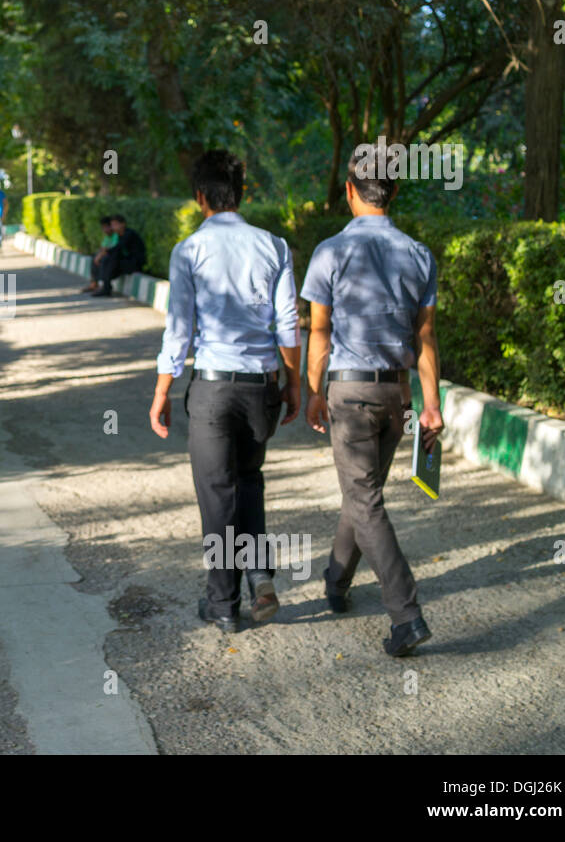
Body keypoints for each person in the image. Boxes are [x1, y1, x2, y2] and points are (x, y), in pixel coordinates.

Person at [149, 150, 301, 633]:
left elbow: (179, 330)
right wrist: (294, 382)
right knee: (249, 483)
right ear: (242, 193)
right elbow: (289, 324)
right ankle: (258, 572)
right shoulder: (274, 246)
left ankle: (222, 603)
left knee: (218, 497)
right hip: (262, 389)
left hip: (213, 392)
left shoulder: (190, 251)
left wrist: (162, 392)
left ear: (200, 198)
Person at [302, 143, 443, 657]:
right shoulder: (419, 254)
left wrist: (313, 392)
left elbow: (318, 332)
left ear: (349, 190)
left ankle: (407, 616)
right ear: (395, 191)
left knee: (365, 498)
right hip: (396, 395)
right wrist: (430, 403)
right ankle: (337, 582)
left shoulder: (330, 251)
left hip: (350, 391)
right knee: (361, 493)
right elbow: (425, 338)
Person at [89, 214, 145, 297]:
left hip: (134, 264)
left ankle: (106, 287)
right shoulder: (119, 235)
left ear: (123, 224)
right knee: (105, 258)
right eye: (112, 225)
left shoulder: (128, 234)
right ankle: (102, 285)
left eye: (115, 224)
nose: (113, 227)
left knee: (109, 259)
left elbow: (117, 249)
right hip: (126, 261)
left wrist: (106, 252)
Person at [80, 216, 117, 292]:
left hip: (114, 257)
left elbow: (110, 249)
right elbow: (103, 248)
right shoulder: (107, 237)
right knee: (95, 256)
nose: (104, 230)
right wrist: (99, 255)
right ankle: (94, 283)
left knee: (103, 259)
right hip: (107, 255)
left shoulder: (116, 236)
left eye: (106, 227)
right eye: (103, 228)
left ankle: (104, 286)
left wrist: (100, 255)